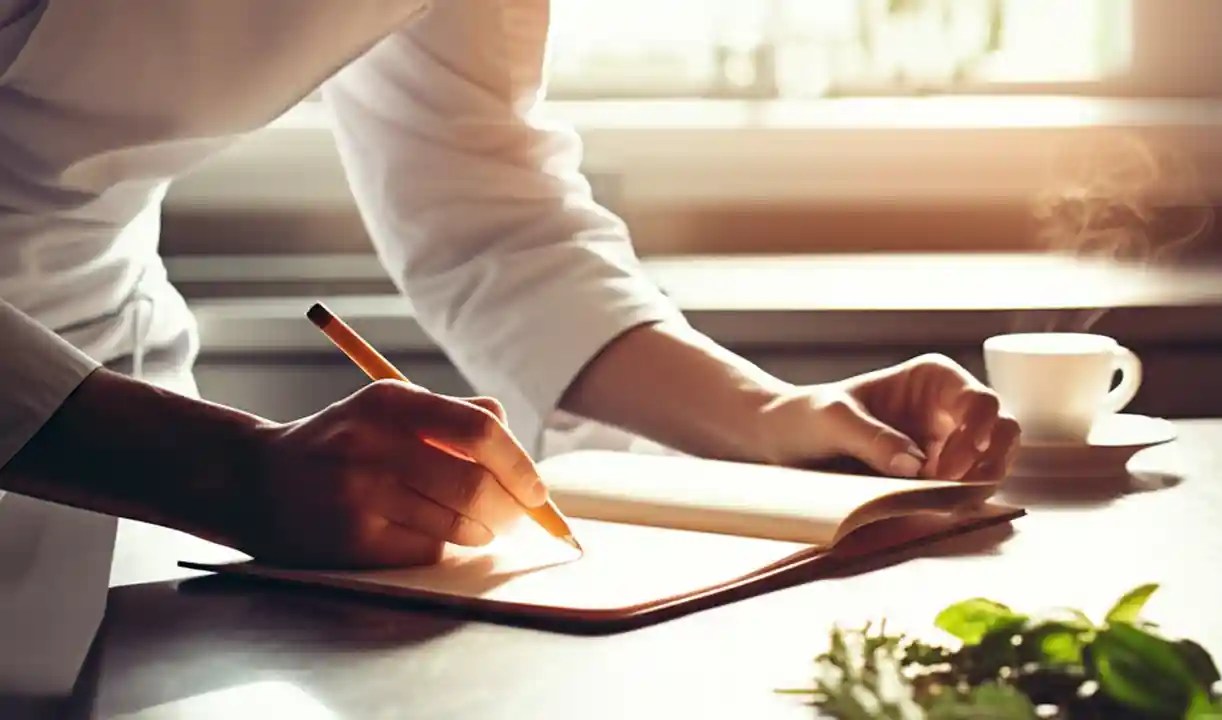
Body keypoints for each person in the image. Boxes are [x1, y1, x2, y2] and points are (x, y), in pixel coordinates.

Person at [0, 1, 1019, 689]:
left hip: (111, 367)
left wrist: (761, 413)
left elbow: (491, 217)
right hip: (96, 428)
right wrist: (223, 471)